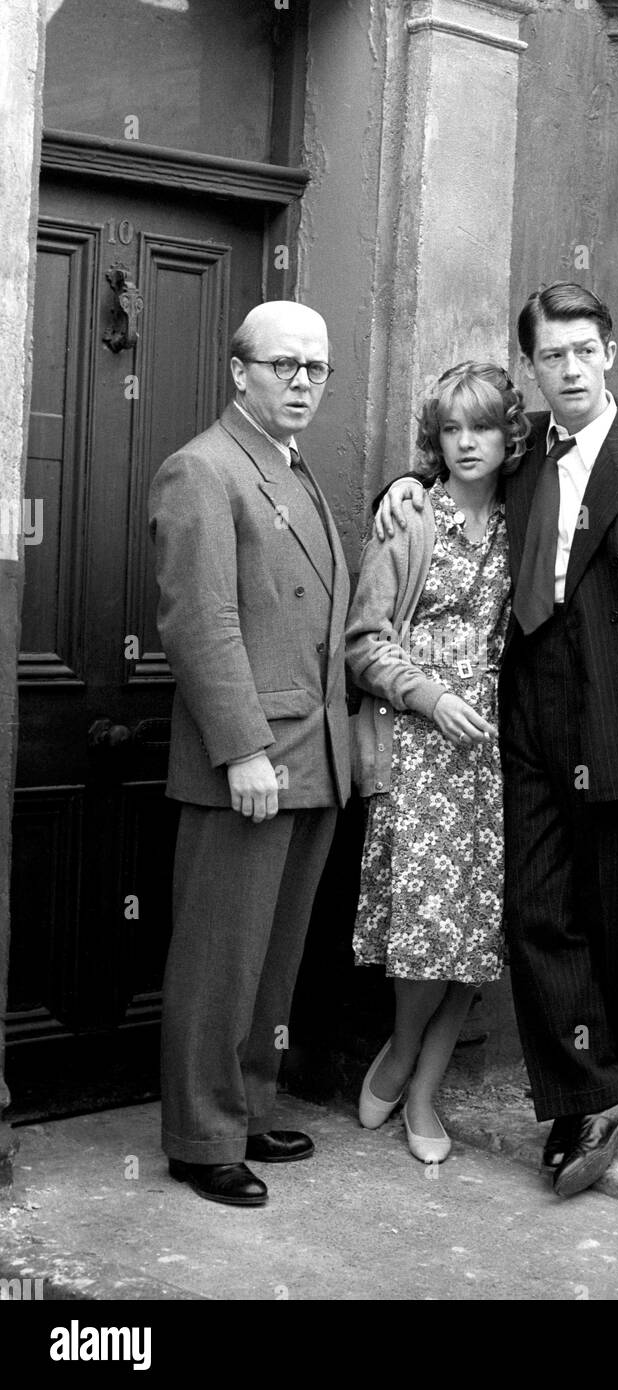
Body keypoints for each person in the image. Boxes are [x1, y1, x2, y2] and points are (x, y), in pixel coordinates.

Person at [376, 284, 618, 1196]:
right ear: (531, 367)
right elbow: (459, 465)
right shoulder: (527, 448)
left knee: (608, 916)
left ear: (609, 352)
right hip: (527, 716)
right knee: (534, 912)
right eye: (550, 356)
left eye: (582, 351)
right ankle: (596, 1095)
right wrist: (401, 489)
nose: (568, 369)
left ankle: (589, 1103)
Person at [148, 300, 350, 1207]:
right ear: (240, 372)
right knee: (219, 960)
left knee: (275, 955)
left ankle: (249, 1104)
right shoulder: (202, 468)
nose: (302, 382)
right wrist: (241, 752)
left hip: (314, 756)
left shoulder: (292, 467)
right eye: (284, 366)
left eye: (316, 369)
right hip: (253, 762)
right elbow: (201, 623)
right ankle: (200, 1135)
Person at [346, 362, 528, 1163]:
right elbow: (362, 642)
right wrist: (428, 696)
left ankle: (426, 1087)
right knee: (425, 931)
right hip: (418, 751)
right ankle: (399, 1050)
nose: (464, 444)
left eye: (480, 428)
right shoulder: (413, 519)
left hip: (495, 756)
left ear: (507, 435)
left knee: (476, 936)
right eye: (449, 430)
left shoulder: (529, 522)